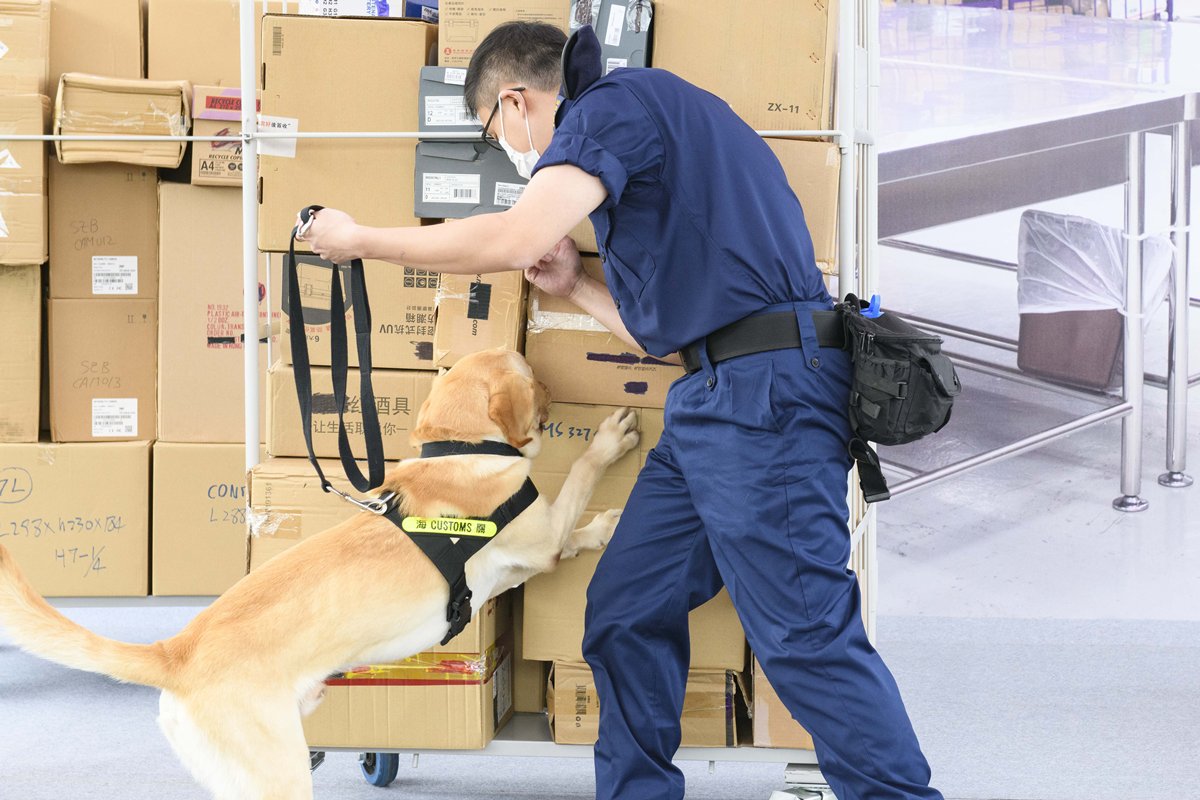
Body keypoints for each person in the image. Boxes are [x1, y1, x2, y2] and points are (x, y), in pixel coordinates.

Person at [299, 21, 942, 800]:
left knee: (805, 635)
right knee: (627, 609)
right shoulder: (654, 128)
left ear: (516, 99)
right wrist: (574, 286)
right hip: (716, 393)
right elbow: (671, 335)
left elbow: (515, 234)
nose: (509, 151)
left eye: (495, 132)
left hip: (764, 400)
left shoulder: (610, 109)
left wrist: (359, 238)